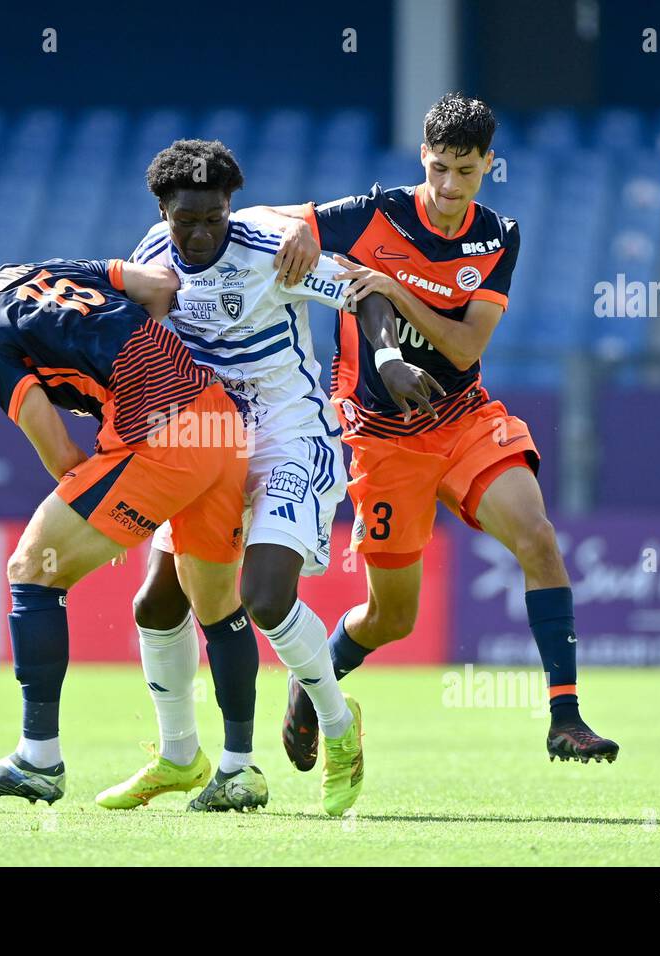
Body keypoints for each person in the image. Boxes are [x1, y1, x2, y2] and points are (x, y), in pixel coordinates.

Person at [254, 93, 620, 766]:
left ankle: (565, 717)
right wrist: (298, 228)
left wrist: (394, 291)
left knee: (538, 539)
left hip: (464, 418)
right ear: (424, 156)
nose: (450, 187)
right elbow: (254, 218)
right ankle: (314, 682)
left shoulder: (497, 235)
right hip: (381, 439)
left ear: (489, 165)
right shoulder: (373, 213)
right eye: (440, 168)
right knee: (393, 619)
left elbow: (461, 346)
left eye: (466, 171)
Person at [95, 140, 440, 816]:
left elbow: (365, 290)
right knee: (157, 605)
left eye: (213, 219)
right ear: (163, 209)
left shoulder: (273, 248)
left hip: (289, 439)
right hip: (207, 447)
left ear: (231, 207)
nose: (199, 234)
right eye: (184, 219)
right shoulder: (147, 259)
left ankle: (340, 729)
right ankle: (176, 756)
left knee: (263, 595)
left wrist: (391, 357)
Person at [0, 226, 250, 804]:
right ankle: (239, 770)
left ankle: (38, 760)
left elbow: (60, 454)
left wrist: (111, 512)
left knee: (31, 569)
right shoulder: (35, 271)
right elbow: (156, 283)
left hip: (162, 437)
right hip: (219, 421)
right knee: (218, 604)